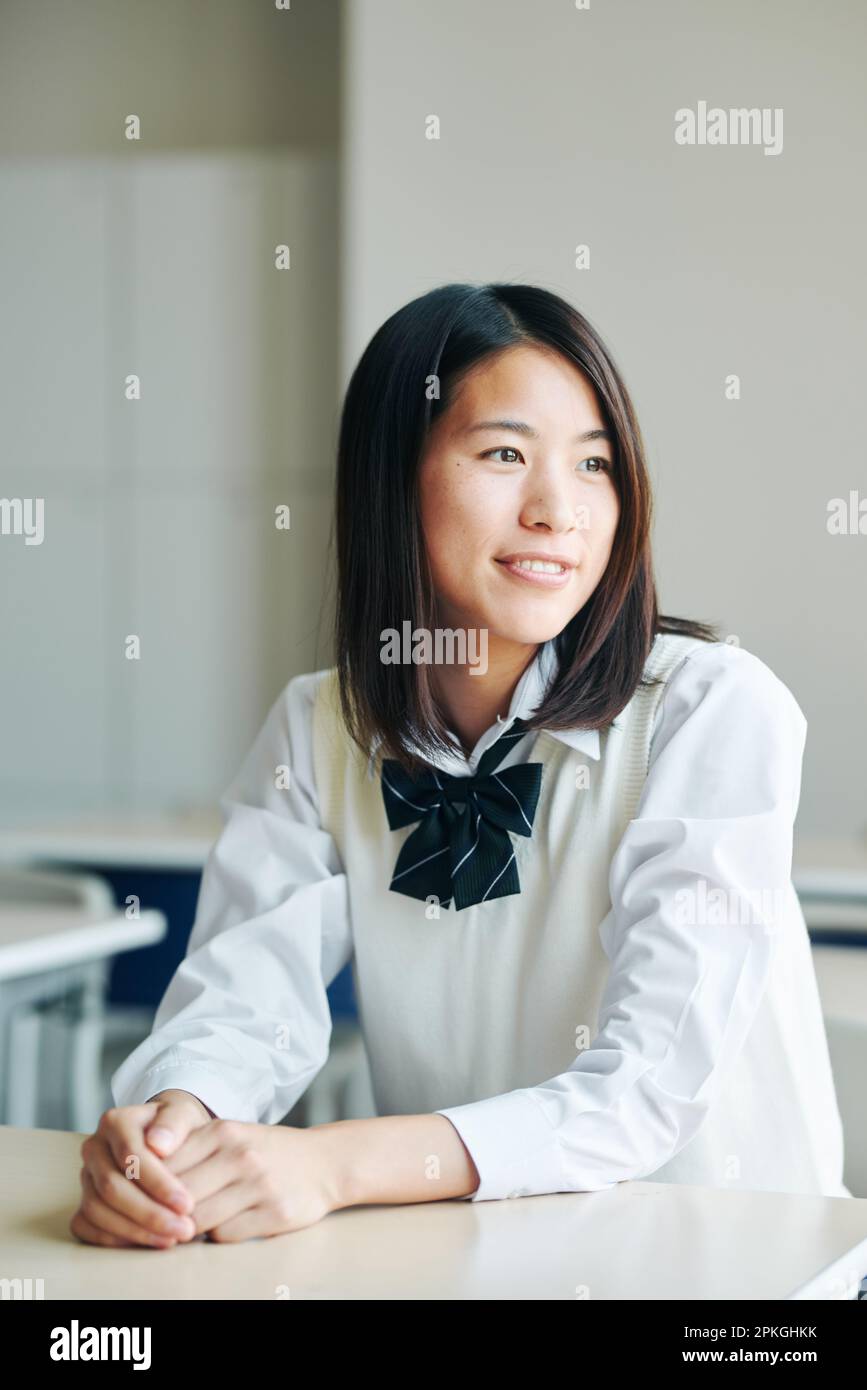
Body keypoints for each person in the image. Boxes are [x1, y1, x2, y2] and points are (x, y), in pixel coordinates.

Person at [71, 282, 849, 1250]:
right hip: (464, 1261)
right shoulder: (320, 726)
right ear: (394, 478)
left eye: (596, 463)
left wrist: (332, 1161)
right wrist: (172, 1131)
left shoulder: (711, 710)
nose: (558, 510)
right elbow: (241, 1004)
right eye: (505, 454)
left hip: (732, 1278)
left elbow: (645, 1086)